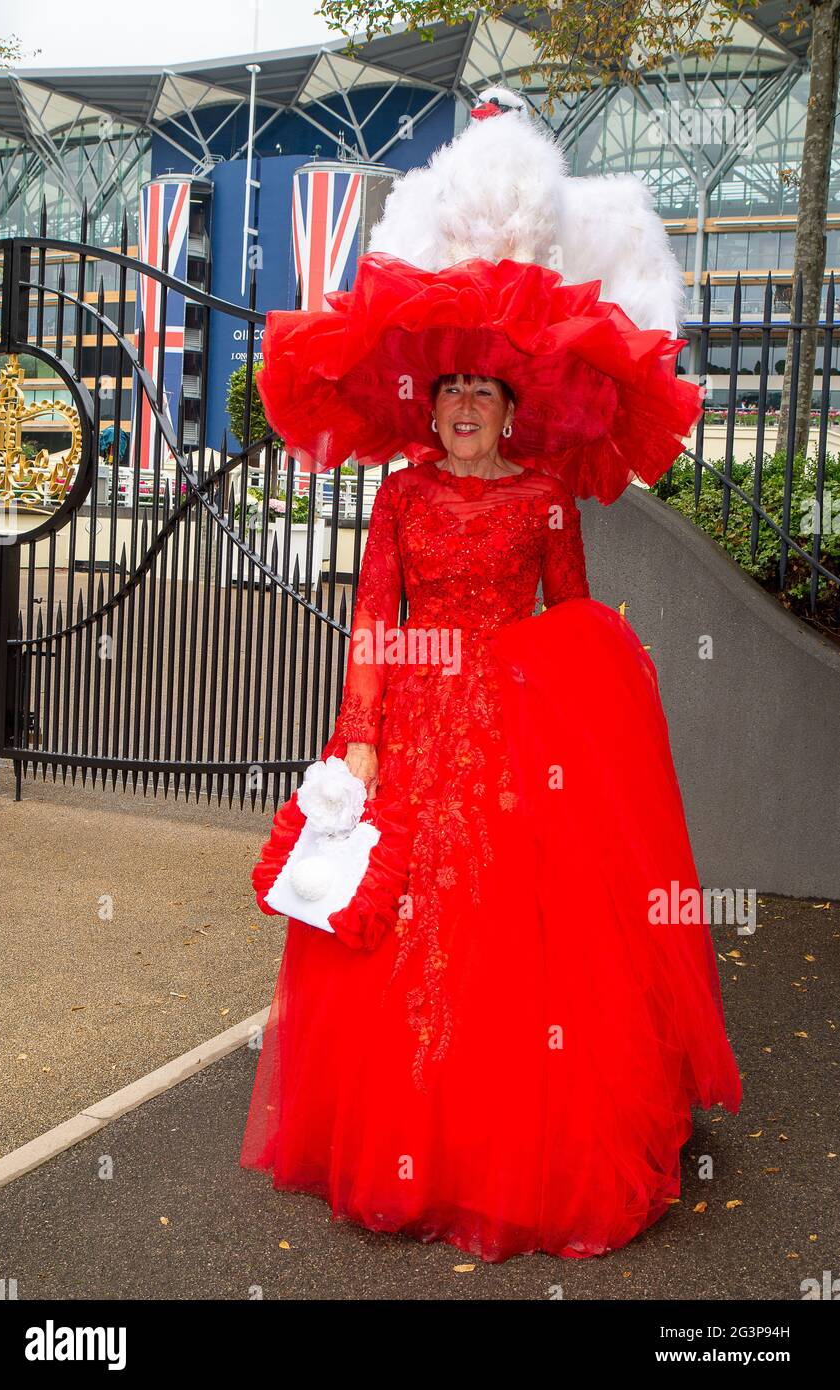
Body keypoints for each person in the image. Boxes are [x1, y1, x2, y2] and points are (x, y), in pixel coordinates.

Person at [239, 253, 743, 1262]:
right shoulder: (401, 499)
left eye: (483, 388)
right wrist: (364, 738)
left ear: (511, 409)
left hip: (520, 742)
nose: (465, 402)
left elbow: (573, 619)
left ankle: (517, 1144)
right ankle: (411, 1140)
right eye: (450, 389)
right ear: (429, 409)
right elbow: (376, 618)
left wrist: (592, 705)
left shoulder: (547, 496)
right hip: (419, 731)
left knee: (527, 934)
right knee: (406, 924)